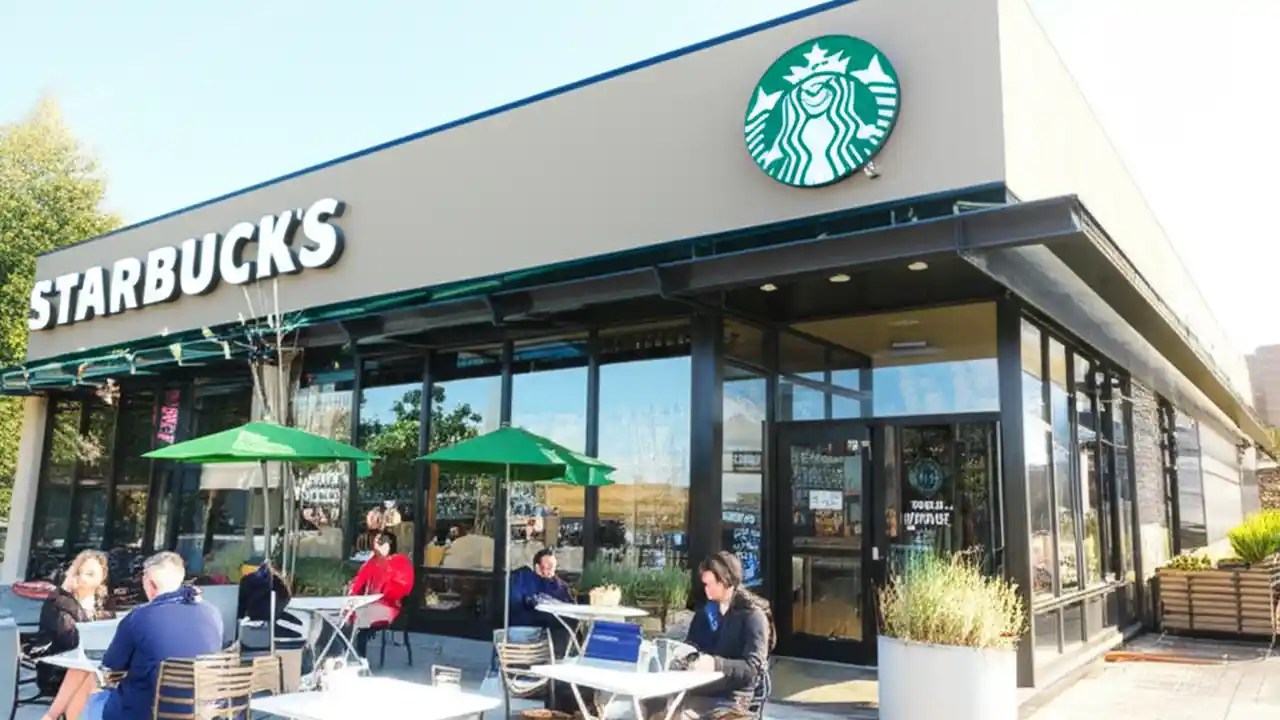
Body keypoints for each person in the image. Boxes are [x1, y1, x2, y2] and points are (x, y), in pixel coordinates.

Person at [79, 551, 224, 720]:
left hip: (147, 712)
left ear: (151, 584)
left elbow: (112, 667)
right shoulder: (212, 613)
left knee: (95, 700)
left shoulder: (139, 617)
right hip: (200, 711)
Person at [667, 551, 773, 719]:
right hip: (700, 688)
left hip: (733, 698)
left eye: (710, 584)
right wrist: (686, 657)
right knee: (653, 706)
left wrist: (716, 664)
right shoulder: (705, 613)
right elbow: (692, 644)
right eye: (704, 584)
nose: (706, 589)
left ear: (726, 581)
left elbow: (753, 668)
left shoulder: (752, 616)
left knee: (679, 716)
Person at [32, 550, 117, 720]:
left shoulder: (103, 604)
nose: (83, 578)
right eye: (79, 572)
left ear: (101, 578)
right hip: (57, 668)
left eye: (90, 573)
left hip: (85, 666)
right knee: (88, 671)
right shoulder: (61, 601)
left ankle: (54, 716)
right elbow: (69, 643)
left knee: (96, 675)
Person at [507, 548, 576, 714]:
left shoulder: (558, 584)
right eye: (547, 566)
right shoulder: (523, 580)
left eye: (553, 567)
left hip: (551, 633)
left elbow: (569, 606)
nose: (551, 571)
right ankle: (559, 691)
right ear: (537, 567)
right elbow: (518, 604)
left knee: (566, 633)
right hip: (531, 633)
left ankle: (561, 693)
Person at [347, 529, 414, 658]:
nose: (375, 546)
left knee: (362, 619)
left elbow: (400, 589)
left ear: (388, 545)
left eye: (379, 542)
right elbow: (359, 581)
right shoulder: (373, 561)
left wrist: (381, 595)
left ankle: (361, 658)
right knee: (348, 614)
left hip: (390, 606)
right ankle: (350, 653)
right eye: (376, 542)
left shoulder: (400, 562)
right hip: (370, 603)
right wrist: (352, 594)